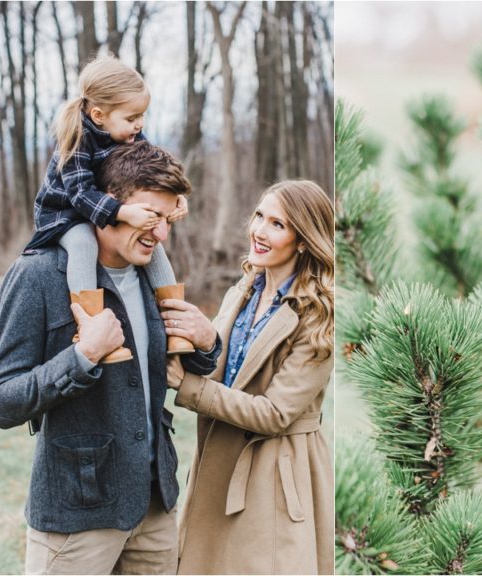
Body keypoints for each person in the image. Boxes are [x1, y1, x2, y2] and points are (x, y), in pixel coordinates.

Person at [0, 141, 221, 575]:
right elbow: (1, 401)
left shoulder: (152, 276)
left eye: (167, 220)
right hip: (77, 515)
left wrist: (207, 343)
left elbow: (177, 369)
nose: (161, 234)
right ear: (109, 204)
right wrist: (83, 356)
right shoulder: (37, 275)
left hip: (156, 505)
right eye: (150, 216)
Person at [164, 180, 335, 575]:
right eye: (260, 216)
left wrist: (188, 386)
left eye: (277, 224)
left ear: (303, 241)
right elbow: (221, 371)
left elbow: (275, 414)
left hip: (274, 471)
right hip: (218, 462)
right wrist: (194, 341)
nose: (259, 230)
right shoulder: (241, 292)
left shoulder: (319, 316)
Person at [26, 55, 193, 363]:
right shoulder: (77, 139)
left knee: (155, 246)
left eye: (142, 116)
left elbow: (155, 172)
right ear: (99, 115)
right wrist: (125, 213)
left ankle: (177, 328)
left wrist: (176, 197)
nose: (139, 124)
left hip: (103, 204)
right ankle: (91, 329)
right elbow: (80, 194)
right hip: (64, 214)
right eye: (132, 118)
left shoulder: (127, 133)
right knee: (83, 244)